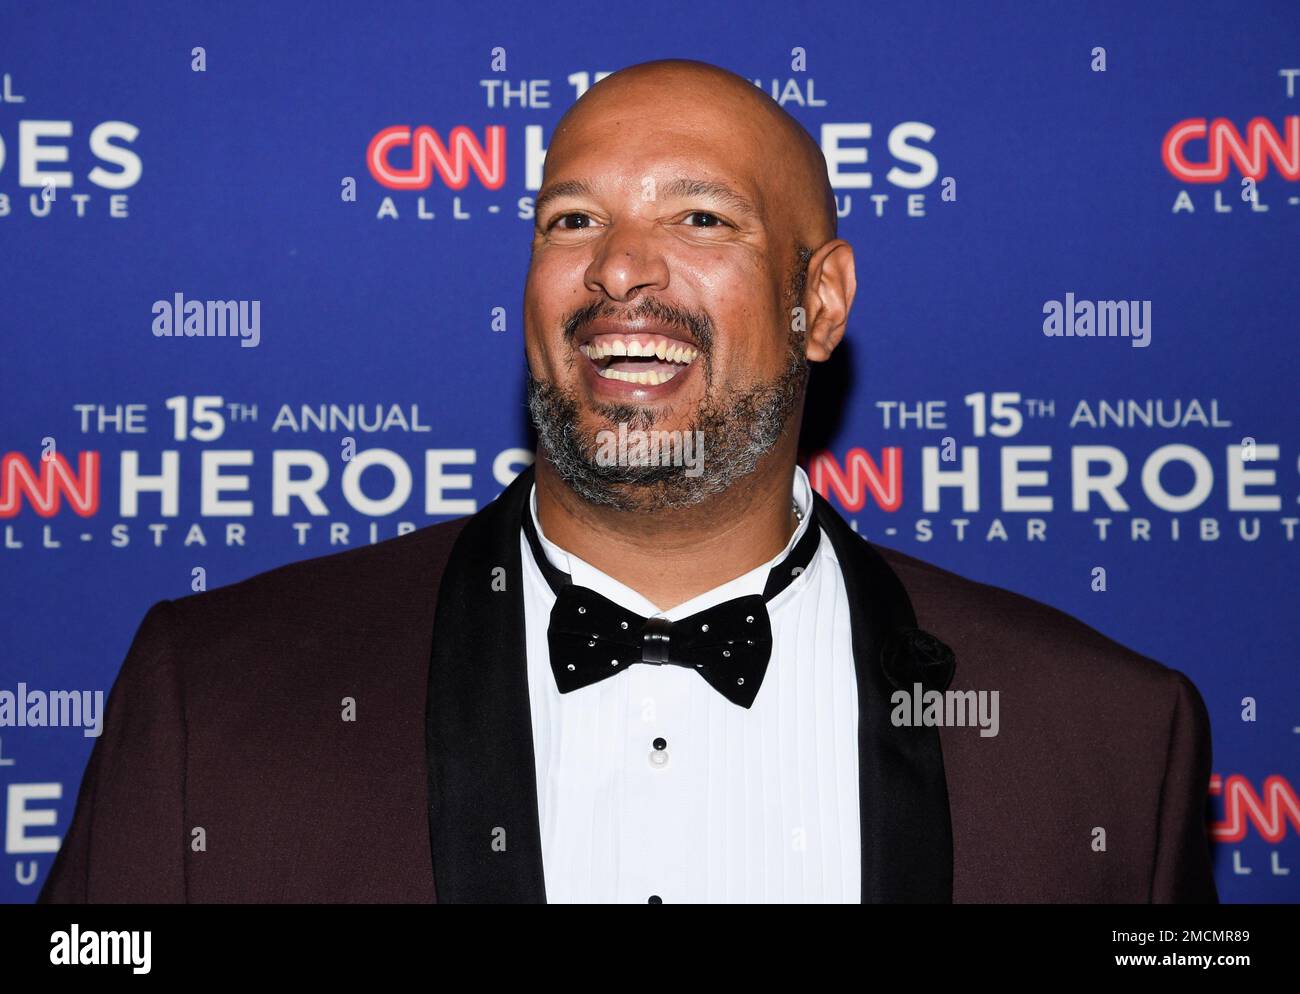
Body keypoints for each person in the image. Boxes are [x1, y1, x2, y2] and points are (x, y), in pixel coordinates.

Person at [39, 59, 1217, 904]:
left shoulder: (1103, 740)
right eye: (572, 219)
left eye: (700, 217)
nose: (618, 269)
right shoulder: (214, 697)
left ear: (822, 301)